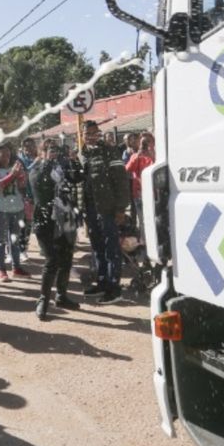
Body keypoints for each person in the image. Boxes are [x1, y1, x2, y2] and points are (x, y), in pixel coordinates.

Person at [29, 139, 83, 320]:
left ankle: (61, 295)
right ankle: (43, 299)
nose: (54, 153)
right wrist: (48, 163)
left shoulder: (62, 168)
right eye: (49, 149)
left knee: (66, 256)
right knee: (52, 259)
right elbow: (41, 191)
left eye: (56, 150)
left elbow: (78, 177)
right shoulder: (36, 169)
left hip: (64, 218)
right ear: (41, 152)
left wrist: (74, 160)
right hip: (44, 220)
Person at [81, 120, 130, 304]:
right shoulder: (82, 154)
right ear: (83, 135)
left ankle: (114, 288)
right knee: (97, 248)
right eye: (88, 134)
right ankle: (102, 282)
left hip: (108, 209)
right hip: (91, 210)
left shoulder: (110, 152)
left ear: (99, 134)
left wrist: (120, 209)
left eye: (95, 133)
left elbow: (122, 182)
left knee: (111, 249)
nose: (91, 137)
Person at [0, 143, 29, 282]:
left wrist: (21, 176)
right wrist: (12, 175)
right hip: (1, 210)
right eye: (3, 154)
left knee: (15, 240)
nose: (6, 156)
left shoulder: (15, 166)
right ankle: (1, 270)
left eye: (8, 154)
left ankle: (16, 267)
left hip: (17, 208)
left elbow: (22, 185)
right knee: (1, 241)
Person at [125, 133, 155, 233]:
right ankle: (144, 243)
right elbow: (127, 169)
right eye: (143, 142)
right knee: (143, 221)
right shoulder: (136, 156)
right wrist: (138, 154)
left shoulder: (159, 155)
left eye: (148, 141)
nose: (146, 144)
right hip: (139, 194)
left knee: (155, 220)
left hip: (154, 195)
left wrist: (151, 154)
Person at [16, 137, 38, 261]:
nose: (29, 148)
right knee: (21, 224)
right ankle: (19, 249)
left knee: (29, 224)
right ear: (23, 147)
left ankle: (24, 248)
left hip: (34, 196)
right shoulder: (19, 160)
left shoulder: (37, 158)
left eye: (31, 146)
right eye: (26, 146)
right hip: (21, 196)